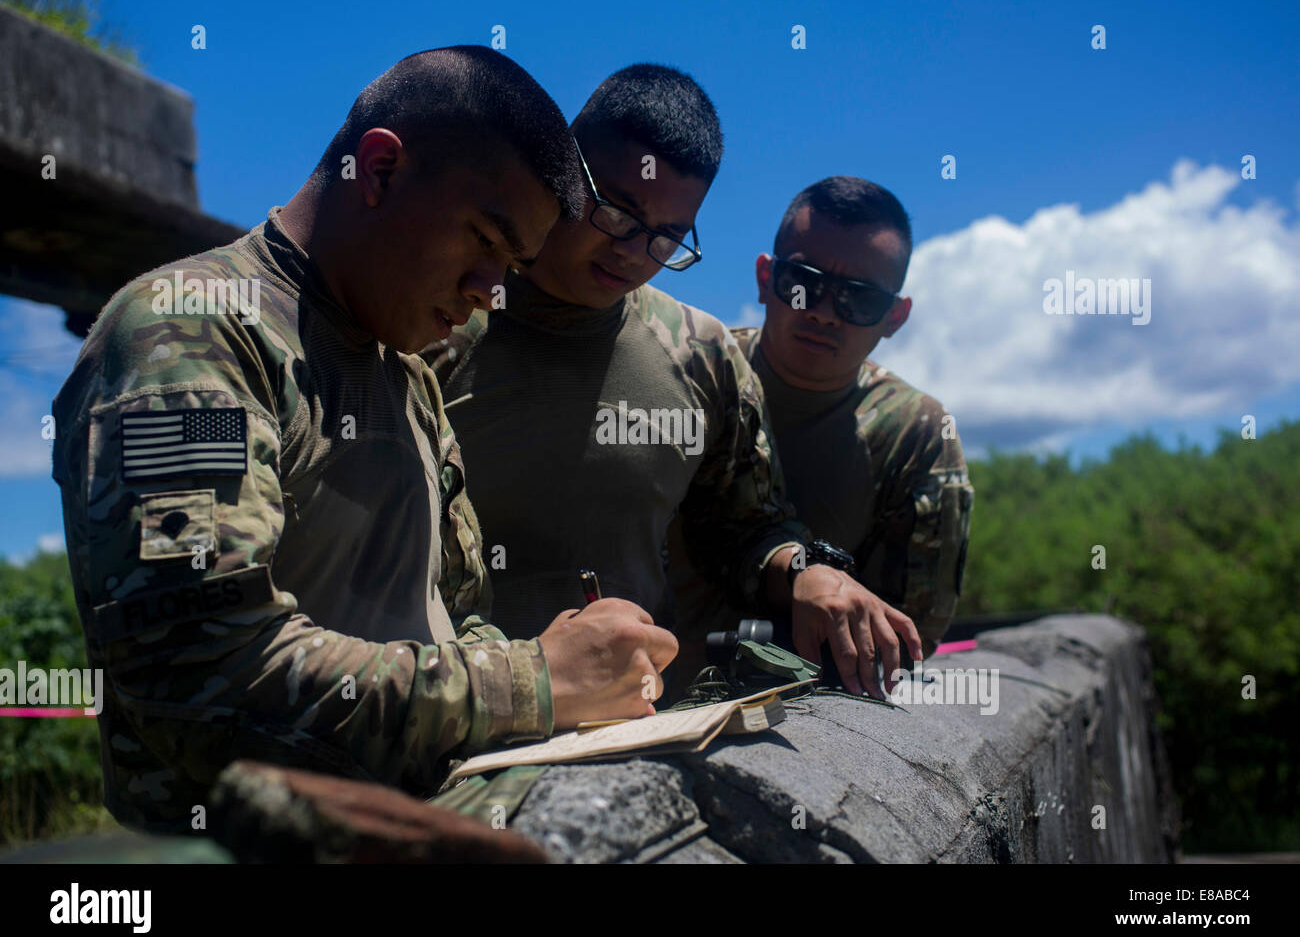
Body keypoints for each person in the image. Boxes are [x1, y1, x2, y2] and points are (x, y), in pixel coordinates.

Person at [50, 46, 676, 834]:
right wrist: (532, 682)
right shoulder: (188, 333)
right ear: (378, 171)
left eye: (512, 266)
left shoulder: (409, 375)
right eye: (486, 241)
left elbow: (456, 615)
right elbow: (200, 679)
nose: (489, 296)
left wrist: (570, 670)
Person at [427, 66, 921, 701]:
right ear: (561, 167)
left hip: (639, 727)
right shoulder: (441, 315)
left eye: (668, 237)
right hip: (452, 723)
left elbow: (746, 526)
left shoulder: (702, 354)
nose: (635, 252)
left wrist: (805, 573)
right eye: (618, 213)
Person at [670, 177, 973, 660]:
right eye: (803, 284)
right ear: (766, 279)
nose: (826, 313)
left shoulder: (916, 434)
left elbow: (908, 636)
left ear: (894, 318)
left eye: (860, 298)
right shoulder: (692, 373)